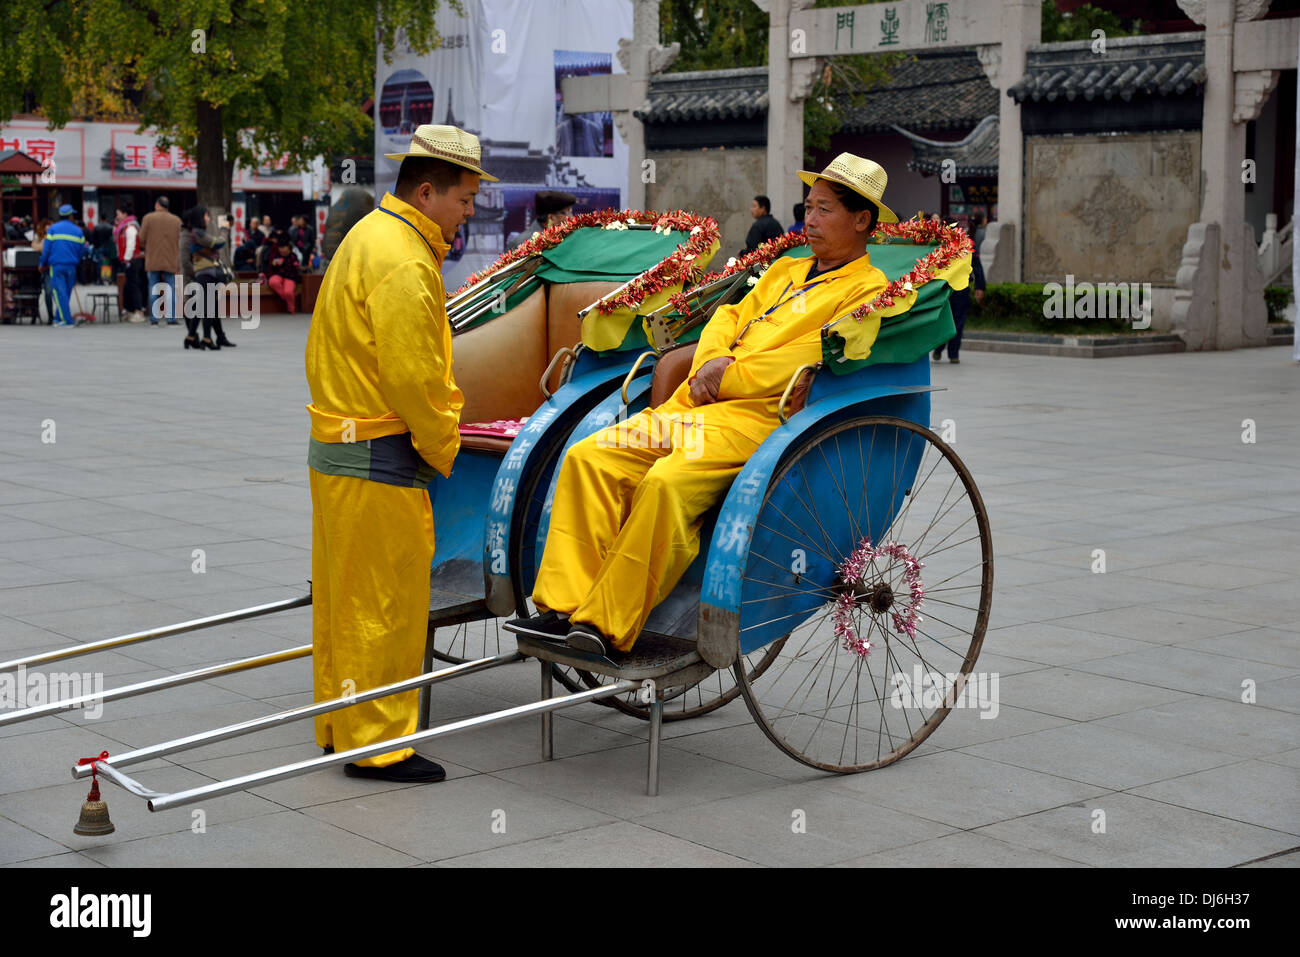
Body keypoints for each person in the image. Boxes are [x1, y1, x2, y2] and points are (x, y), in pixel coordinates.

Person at [520, 153, 896, 657]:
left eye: (824, 210)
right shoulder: (785, 269)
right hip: (694, 406)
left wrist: (727, 377)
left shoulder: (868, 290)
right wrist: (710, 363)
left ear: (862, 220)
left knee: (665, 484)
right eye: (808, 207)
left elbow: (805, 359)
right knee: (591, 457)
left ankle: (606, 624)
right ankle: (560, 606)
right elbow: (727, 316)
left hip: (756, 419)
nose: (809, 220)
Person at [304, 123, 492, 783]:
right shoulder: (407, 261)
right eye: (465, 198)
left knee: (343, 600)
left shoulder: (370, 235)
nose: (469, 212)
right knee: (384, 604)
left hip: (336, 451)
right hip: (378, 457)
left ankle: (342, 726)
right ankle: (381, 742)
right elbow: (417, 380)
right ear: (426, 190)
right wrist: (447, 443)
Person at [180, 205, 234, 350]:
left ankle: (195, 337)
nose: (208, 218)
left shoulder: (198, 233)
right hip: (205, 272)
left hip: (205, 273)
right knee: (208, 307)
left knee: (206, 307)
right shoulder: (197, 233)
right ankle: (206, 338)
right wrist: (224, 229)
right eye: (206, 216)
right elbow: (218, 242)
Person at [934, 218, 985, 364]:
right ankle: (939, 347)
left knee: (959, 322)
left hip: (961, 289)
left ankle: (953, 353)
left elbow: (977, 267)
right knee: (943, 320)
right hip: (943, 289)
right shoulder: (940, 246)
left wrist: (980, 286)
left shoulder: (967, 246)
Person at [39, 204, 86, 327]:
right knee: (66, 293)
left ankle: (66, 321)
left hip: (56, 266)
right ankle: (58, 318)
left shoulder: (53, 229)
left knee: (60, 293)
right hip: (71, 266)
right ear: (70, 216)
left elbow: (46, 249)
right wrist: (75, 259)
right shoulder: (78, 231)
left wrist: (42, 263)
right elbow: (82, 251)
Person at [139, 196, 182, 325]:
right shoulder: (176, 220)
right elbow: (181, 240)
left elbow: (141, 239)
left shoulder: (148, 218)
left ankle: (154, 318)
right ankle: (171, 318)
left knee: (153, 288)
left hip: (153, 258)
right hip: (171, 259)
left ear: (157, 204)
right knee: (170, 289)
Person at [113, 201, 148, 322]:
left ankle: (139, 310)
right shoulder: (124, 226)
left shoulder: (130, 227)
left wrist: (127, 259)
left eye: (119, 214)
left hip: (132, 260)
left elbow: (131, 244)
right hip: (128, 259)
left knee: (133, 285)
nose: (117, 216)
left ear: (125, 214)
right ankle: (129, 310)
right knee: (128, 286)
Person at [261, 228, 301, 312]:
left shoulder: (293, 256)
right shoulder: (276, 254)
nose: (282, 250)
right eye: (280, 248)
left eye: (283, 248)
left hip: (290, 277)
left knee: (288, 291)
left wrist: (283, 264)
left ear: (288, 248)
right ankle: (285, 297)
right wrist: (274, 264)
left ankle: (291, 308)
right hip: (279, 275)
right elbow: (271, 268)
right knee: (273, 281)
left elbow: (295, 268)